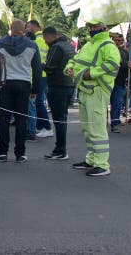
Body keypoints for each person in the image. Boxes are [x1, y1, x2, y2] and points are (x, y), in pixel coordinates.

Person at [65, 18, 120, 176]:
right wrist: (69, 67)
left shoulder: (108, 45)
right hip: (84, 89)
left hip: (97, 90)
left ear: (103, 28)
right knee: (88, 128)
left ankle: (102, 164)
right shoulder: (89, 44)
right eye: (90, 26)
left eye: (95, 26)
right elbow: (75, 59)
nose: (91, 29)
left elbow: (113, 64)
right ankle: (92, 159)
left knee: (97, 127)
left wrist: (92, 73)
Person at [0, 20, 41, 163]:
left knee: (4, 119)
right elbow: (37, 69)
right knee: (21, 119)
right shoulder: (32, 45)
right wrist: (35, 89)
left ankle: (2, 152)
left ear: (10, 29)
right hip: (24, 84)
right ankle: (20, 153)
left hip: (5, 83)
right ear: (24, 30)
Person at [42, 26, 76, 160]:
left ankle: (60, 149)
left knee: (59, 119)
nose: (45, 42)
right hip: (69, 84)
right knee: (63, 118)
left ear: (49, 36)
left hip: (58, 85)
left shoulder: (56, 48)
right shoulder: (68, 45)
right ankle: (61, 148)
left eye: (45, 39)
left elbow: (50, 67)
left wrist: (41, 65)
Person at [26, 20, 52, 139]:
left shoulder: (38, 40)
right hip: (43, 74)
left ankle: (46, 127)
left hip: (39, 74)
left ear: (33, 27)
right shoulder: (42, 39)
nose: (26, 29)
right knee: (38, 101)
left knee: (38, 102)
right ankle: (40, 126)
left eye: (28, 27)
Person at [110, 33, 130, 133]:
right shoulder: (109, 50)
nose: (118, 42)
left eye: (120, 41)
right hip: (109, 80)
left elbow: (127, 68)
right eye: (116, 40)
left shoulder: (125, 53)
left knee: (117, 103)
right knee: (106, 103)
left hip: (120, 81)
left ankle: (114, 122)